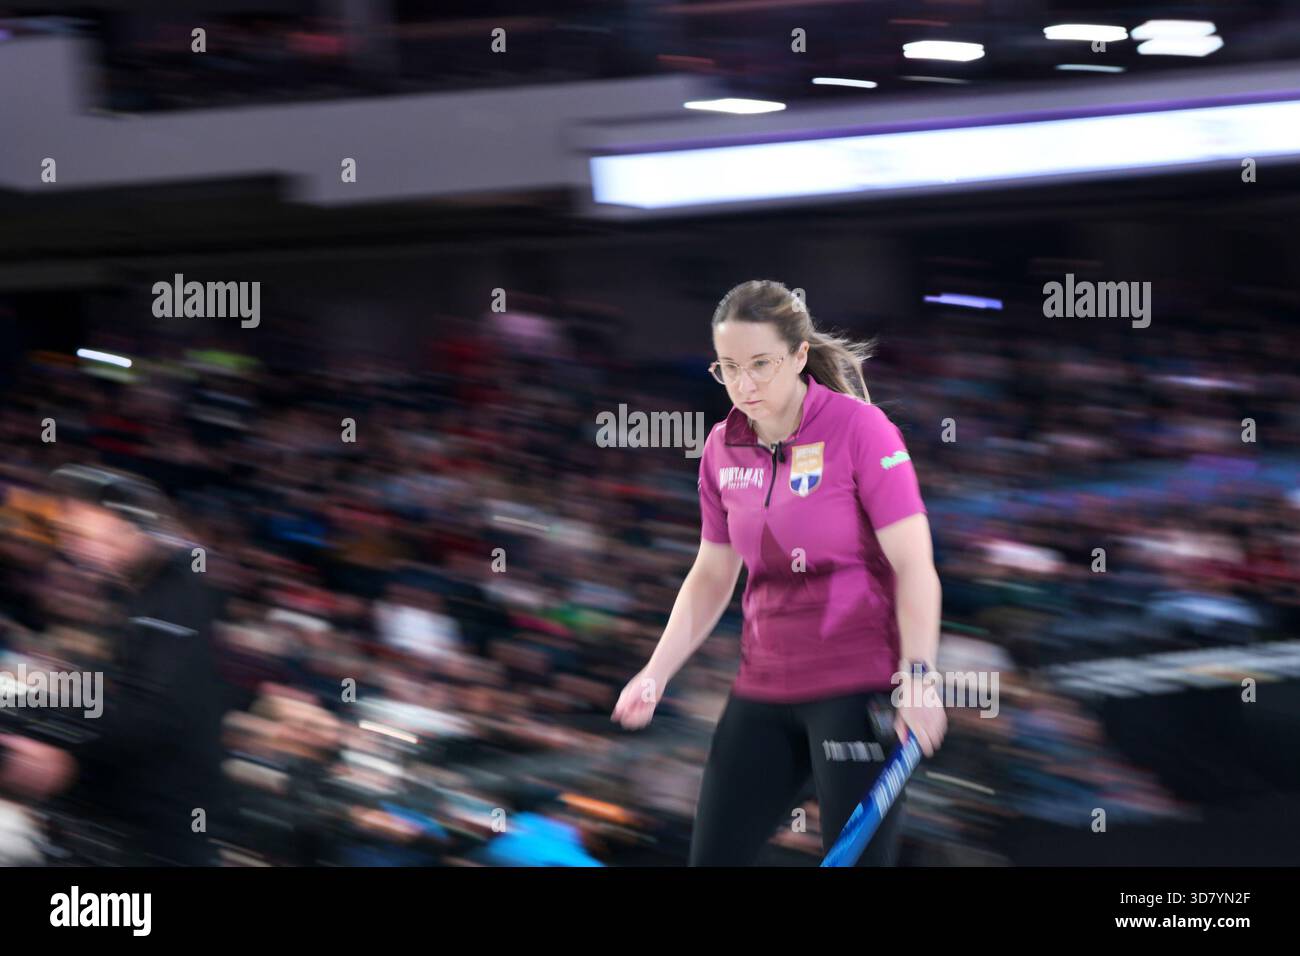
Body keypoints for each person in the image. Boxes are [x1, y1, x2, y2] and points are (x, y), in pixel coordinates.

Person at [611, 280, 946, 866]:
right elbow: (713, 571)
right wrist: (655, 672)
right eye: (729, 368)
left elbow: (915, 565)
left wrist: (918, 676)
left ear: (796, 356)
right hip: (762, 690)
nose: (744, 384)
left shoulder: (861, 432)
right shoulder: (721, 447)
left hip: (855, 689)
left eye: (761, 364)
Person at [36, 465, 226, 865]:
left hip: (153, 835)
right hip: (129, 819)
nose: (72, 549)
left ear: (129, 527)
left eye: (82, 534)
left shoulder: (175, 595)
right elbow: (125, 686)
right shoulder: (140, 594)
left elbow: (146, 714)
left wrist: (47, 710)